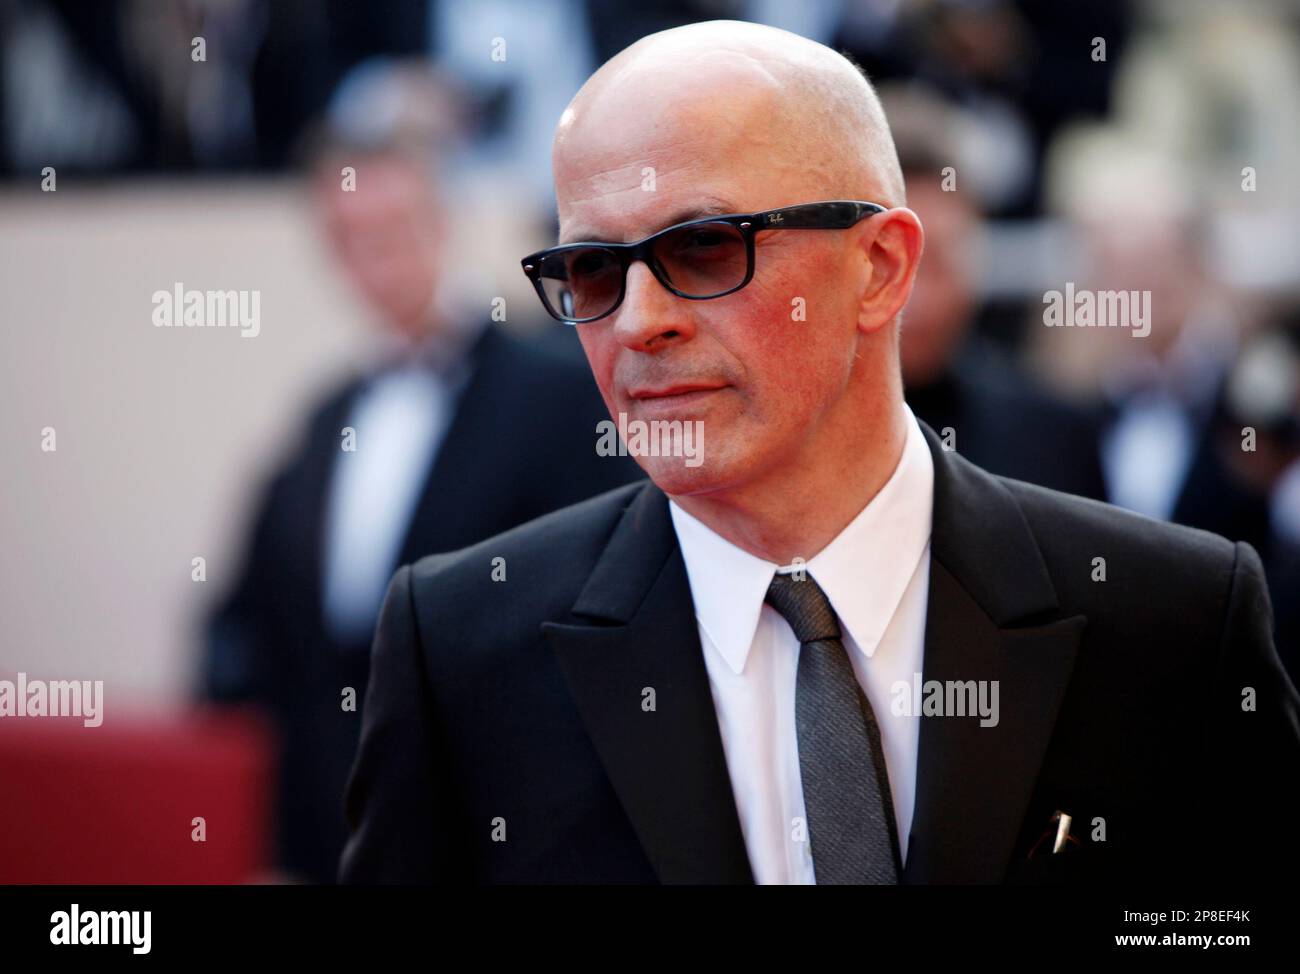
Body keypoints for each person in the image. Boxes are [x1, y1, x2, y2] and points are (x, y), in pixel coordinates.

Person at [339, 22, 1300, 885]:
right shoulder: (462, 652)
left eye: (706, 248)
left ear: (880, 269)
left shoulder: (1172, 623)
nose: (638, 322)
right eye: (591, 269)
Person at [201, 63, 640, 883]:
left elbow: (595, 614)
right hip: (331, 835)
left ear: (442, 222)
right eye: (349, 239)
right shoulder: (324, 416)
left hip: (503, 827)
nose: (374, 260)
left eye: (393, 229)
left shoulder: (554, 393)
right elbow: (254, 622)